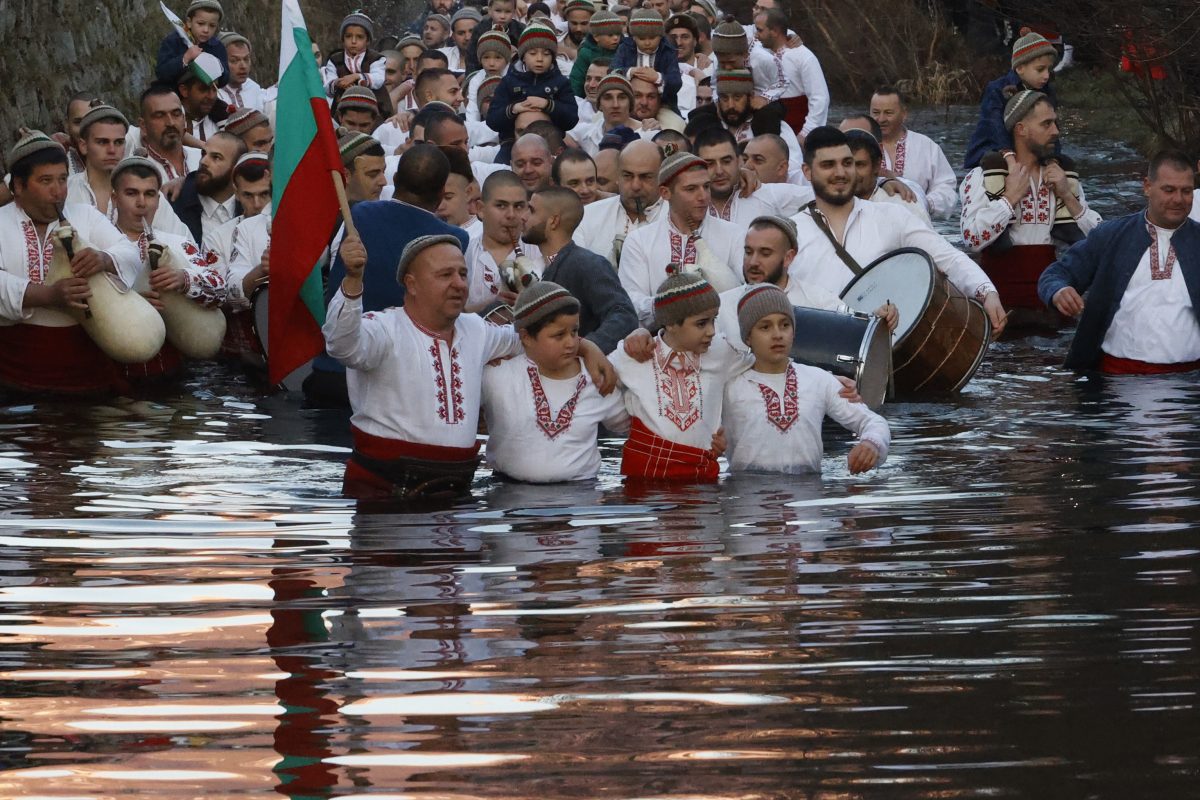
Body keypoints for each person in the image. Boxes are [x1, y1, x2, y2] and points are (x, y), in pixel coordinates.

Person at [324, 232, 615, 502]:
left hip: (457, 494)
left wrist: (586, 347)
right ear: (412, 284)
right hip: (386, 495)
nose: (459, 284)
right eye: (445, 275)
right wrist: (353, 280)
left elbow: (531, 339)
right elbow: (341, 345)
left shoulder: (476, 330)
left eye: (463, 274)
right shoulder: (383, 329)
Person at [788, 127, 1007, 336]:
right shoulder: (791, 233)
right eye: (828, 165)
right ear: (807, 172)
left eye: (847, 163)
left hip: (889, 349)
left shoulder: (891, 216)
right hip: (818, 352)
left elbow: (948, 258)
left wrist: (987, 292)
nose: (840, 172)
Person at [305, 144, 469, 408]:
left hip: (333, 374)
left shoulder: (356, 216)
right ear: (441, 194)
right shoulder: (455, 241)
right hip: (396, 385)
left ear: (395, 180)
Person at [0, 132, 141, 395]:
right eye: (45, 181)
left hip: (88, 374)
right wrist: (48, 295)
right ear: (18, 185)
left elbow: (130, 253)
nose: (58, 191)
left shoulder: (85, 215)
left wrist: (103, 259)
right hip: (13, 375)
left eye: (63, 179)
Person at [1038, 151, 1200, 375]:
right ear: (1147, 187)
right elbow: (1055, 274)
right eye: (1169, 190)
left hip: (1190, 382)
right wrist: (1059, 291)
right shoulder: (1112, 236)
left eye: (1186, 191)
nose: (1178, 199)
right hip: (1117, 379)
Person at [962, 91, 1100, 321]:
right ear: (1021, 129)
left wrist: (1067, 196)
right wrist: (1009, 199)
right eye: (1046, 124)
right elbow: (972, 239)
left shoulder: (1063, 177)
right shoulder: (982, 176)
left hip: (1051, 301)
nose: (1055, 131)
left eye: (1055, 123)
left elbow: (1101, 241)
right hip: (1000, 307)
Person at [723, 284, 889, 474]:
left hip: (809, 489)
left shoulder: (818, 381)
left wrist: (871, 444)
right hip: (745, 489)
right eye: (765, 327)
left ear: (794, 332)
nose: (777, 334)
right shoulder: (729, 386)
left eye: (785, 325)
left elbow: (873, 422)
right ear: (747, 337)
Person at [481, 281, 631, 483]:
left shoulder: (595, 378)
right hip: (509, 494)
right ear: (526, 337)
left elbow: (630, 423)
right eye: (559, 335)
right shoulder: (497, 376)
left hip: (581, 494)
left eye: (574, 332)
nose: (571, 343)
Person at [609, 272, 750, 481]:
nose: (712, 331)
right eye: (701, 323)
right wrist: (621, 421)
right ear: (670, 323)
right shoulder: (636, 355)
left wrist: (728, 433)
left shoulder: (721, 352)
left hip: (701, 480)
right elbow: (597, 376)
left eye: (714, 320)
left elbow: (761, 364)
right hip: (645, 481)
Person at [109, 156, 226, 384]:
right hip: (114, 375)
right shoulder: (100, 246)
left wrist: (184, 279)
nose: (142, 203)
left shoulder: (178, 243)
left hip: (173, 372)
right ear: (115, 199)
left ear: (158, 199)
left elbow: (220, 291)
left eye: (150, 194)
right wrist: (132, 303)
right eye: (131, 193)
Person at [619, 152, 744, 326]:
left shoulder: (734, 234)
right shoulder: (639, 241)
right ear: (665, 192)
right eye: (691, 189)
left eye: (706, 187)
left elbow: (744, 292)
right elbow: (631, 301)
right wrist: (675, 302)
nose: (703, 196)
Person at [523, 187, 638, 353]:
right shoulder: (537, 267)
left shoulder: (588, 264)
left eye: (531, 210)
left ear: (553, 221)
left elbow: (623, 316)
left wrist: (583, 349)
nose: (523, 217)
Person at [66, 102, 191, 237]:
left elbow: (185, 242)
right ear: (83, 146)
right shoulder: (67, 191)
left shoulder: (148, 194)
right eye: (102, 142)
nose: (112, 150)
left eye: (118, 142)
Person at [963, 29, 1060, 171]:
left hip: (1031, 149)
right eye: (1040, 70)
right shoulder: (996, 89)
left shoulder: (1048, 92)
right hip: (991, 148)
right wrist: (1009, 155)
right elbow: (994, 125)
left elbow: (1052, 127)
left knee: (1066, 164)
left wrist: (1053, 159)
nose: (1046, 76)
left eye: (1049, 69)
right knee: (995, 162)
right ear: (1020, 68)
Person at [869, 87, 958, 218]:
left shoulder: (926, 146)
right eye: (876, 112)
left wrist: (925, 203)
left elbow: (946, 187)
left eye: (888, 113)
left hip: (917, 223)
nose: (881, 119)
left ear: (904, 114)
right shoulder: (861, 145)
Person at [486, 22, 578, 145]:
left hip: (551, 142)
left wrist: (548, 105)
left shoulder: (561, 83)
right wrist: (514, 109)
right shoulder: (508, 82)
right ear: (523, 56)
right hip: (512, 143)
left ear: (553, 57)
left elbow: (571, 119)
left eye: (546, 54)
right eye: (533, 53)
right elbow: (492, 120)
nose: (539, 59)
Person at [574, 139, 665, 264]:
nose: (635, 186)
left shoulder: (678, 220)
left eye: (646, 177)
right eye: (627, 176)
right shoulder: (586, 217)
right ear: (618, 176)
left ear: (662, 177)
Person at [466, 170, 544, 313]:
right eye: (501, 206)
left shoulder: (541, 252)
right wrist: (492, 305)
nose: (511, 215)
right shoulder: (464, 254)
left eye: (518, 206)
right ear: (480, 209)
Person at [755, 8, 828, 141]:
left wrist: (806, 133)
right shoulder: (760, 54)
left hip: (795, 134)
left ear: (775, 31)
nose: (756, 35)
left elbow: (819, 98)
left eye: (760, 30)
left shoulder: (804, 57)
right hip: (765, 134)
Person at [169, 131, 245, 247]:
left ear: (236, 168)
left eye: (216, 157)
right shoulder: (176, 205)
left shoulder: (251, 206)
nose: (203, 161)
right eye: (203, 154)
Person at [844, 129, 930, 225]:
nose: (853, 172)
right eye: (847, 164)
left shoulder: (903, 206)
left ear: (877, 165)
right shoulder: (832, 204)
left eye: (860, 165)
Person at [694, 127, 772, 227]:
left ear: (739, 161)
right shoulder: (685, 204)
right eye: (709, 164)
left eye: (726, 161)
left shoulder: (767, 196)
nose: (719, 171)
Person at [322, 11, 393, 119]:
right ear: (342, 39)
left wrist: (356, 77)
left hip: (375, 109)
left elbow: (378, 79)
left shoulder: (376, 59)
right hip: (342, 110)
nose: (353, 41)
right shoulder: (335, 60)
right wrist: (338, 83)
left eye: (359, 37)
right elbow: (327, 87)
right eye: (348, 36)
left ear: (368, 40)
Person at [610, 9, 683, 111]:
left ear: (660, 36)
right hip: (628, 105)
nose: (647, 43)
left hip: (663, 105)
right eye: (642, 39)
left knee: (673, 121)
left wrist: (658, 77)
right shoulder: (625, 48)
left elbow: (676, 82)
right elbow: (612, 72)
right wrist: (630, 72)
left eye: (652, 38)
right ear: (634, 37)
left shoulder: (668, 51)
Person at [155, 0, 230, 89]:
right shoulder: (174, 41)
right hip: (174, 92)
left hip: (206, 94)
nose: (206, 30)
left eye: (212, 25)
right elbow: (161, 73)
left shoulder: (217, 46)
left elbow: (225, 80)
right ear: (189, 22)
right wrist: (185, 58)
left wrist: (216, 66)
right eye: (201, 24)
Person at [709, 21, 780, 106]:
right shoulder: (718, 59)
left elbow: (782, 82)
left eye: (731, 62)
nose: (727, 67)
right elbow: (714, 85)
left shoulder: (764, 59)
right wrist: (718, 102)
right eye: (722, 62)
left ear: (745, 54)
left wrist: (765, 98)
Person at [138, 86, 201, 182]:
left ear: (184, 119)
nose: (170, 123)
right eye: (159, 116)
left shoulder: (203, 159)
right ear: (143, 125)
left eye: (176, 114)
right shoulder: (138, 171)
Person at [569, 9, 623, 98]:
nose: (616, 38)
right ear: (596, 37)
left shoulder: (624, 51)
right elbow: (577, 80)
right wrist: (575, 100)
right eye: (610, 35)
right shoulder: (586, 53)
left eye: (618, 34)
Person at [465, 0, 525, 74]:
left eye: (508, 12)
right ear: (489, 10)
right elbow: (471, 59)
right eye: (498, 11)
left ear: (514, 12)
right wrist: (472, 77)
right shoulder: (480, 29)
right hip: (483, 74)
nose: (502, 16)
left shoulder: (520, 30)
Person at [437, 146, 482, 237]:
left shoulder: (485, 235)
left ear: (468, 193)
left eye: (448, 197)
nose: (440, 206)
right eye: (433, 198)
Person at [217, 32, 267, 111]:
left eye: (246, 59)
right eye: (234, 60)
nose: (243, 66)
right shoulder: (212, 94)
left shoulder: (254, 89)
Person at [558, 0, 595, 76]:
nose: (579, 29)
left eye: (584, 23)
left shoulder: (601, 47)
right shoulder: (555, 43)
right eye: (574, 23)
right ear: (567, 19)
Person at [440, 7, 482, 72]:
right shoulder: (441, 56)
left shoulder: (494, 57)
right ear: (453, 37)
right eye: (461, 33)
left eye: (472, 32)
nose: (467, 37)